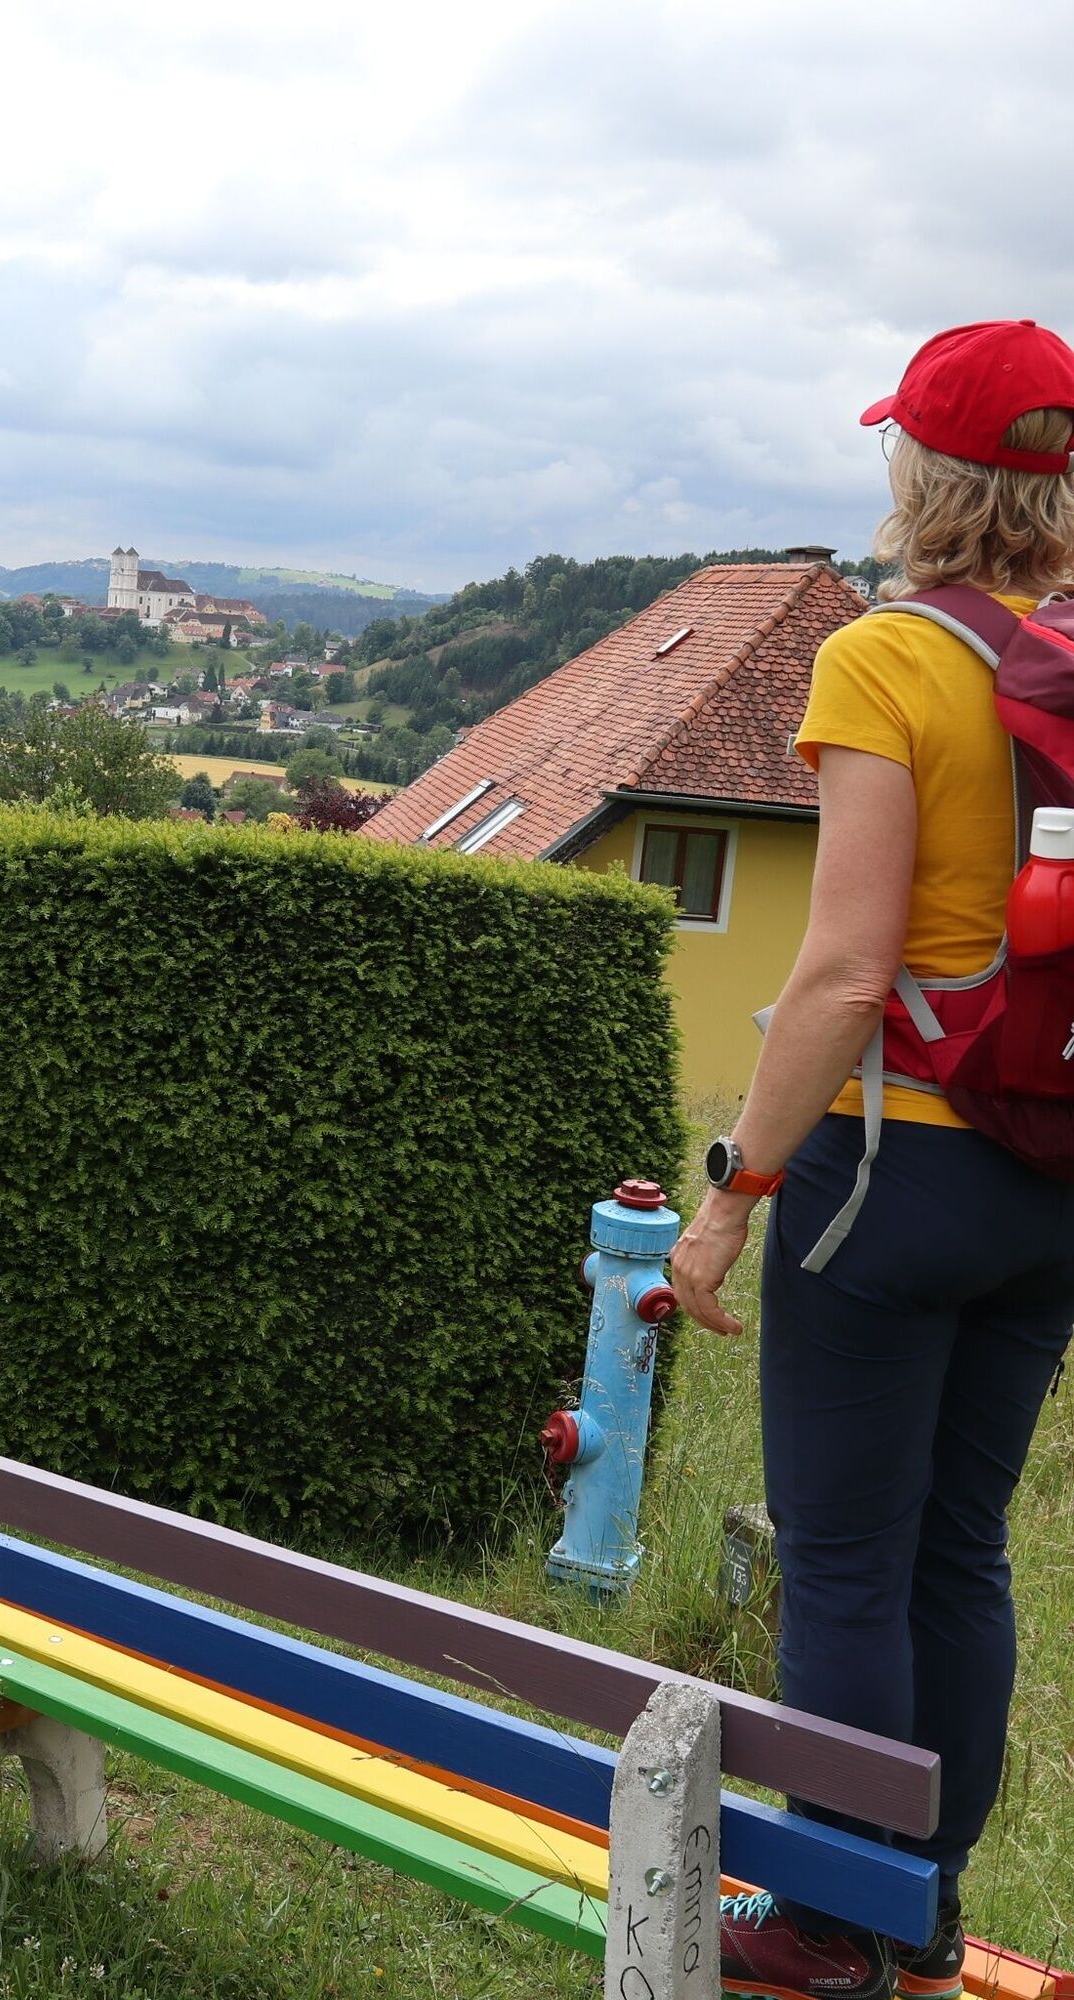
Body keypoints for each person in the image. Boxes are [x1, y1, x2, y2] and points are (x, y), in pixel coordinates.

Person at [669, 320, 1074, 2000]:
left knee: (847, 1558)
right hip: (1052, 1173)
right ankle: (918, 1912)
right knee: (957, 1549)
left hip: (894, 1168)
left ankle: (837, 1925)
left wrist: (732, 1199)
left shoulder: (888, 662)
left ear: (922, 472)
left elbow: (844, 971)